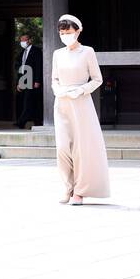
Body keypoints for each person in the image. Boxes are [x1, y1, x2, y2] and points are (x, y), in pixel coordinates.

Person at [51, 14, 109, 204]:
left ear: (77, 31)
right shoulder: (57, 54)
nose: (65, 35)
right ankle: (66, 187)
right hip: (62, 103)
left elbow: (97, 79)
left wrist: (81, 90)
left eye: (68, 32)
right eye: (62, 33)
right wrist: (57, 90)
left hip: (81, 103)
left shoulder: (87, 52)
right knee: (62, 147)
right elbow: (54, 78)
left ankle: (79, 190)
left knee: (81, 148)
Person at [14, 31, 43, 129]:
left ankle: (21, 122)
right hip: (24, 80)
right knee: (27, 101)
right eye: (21, 40)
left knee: (29, 101)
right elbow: (20, 68)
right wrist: (18, 83)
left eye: (24, 40)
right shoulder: (22, 52)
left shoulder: (36, 51)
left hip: (33, 80)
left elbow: (39, 66)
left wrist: (37, 81)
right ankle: (37, 121)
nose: (22, 42)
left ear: (30, 40)